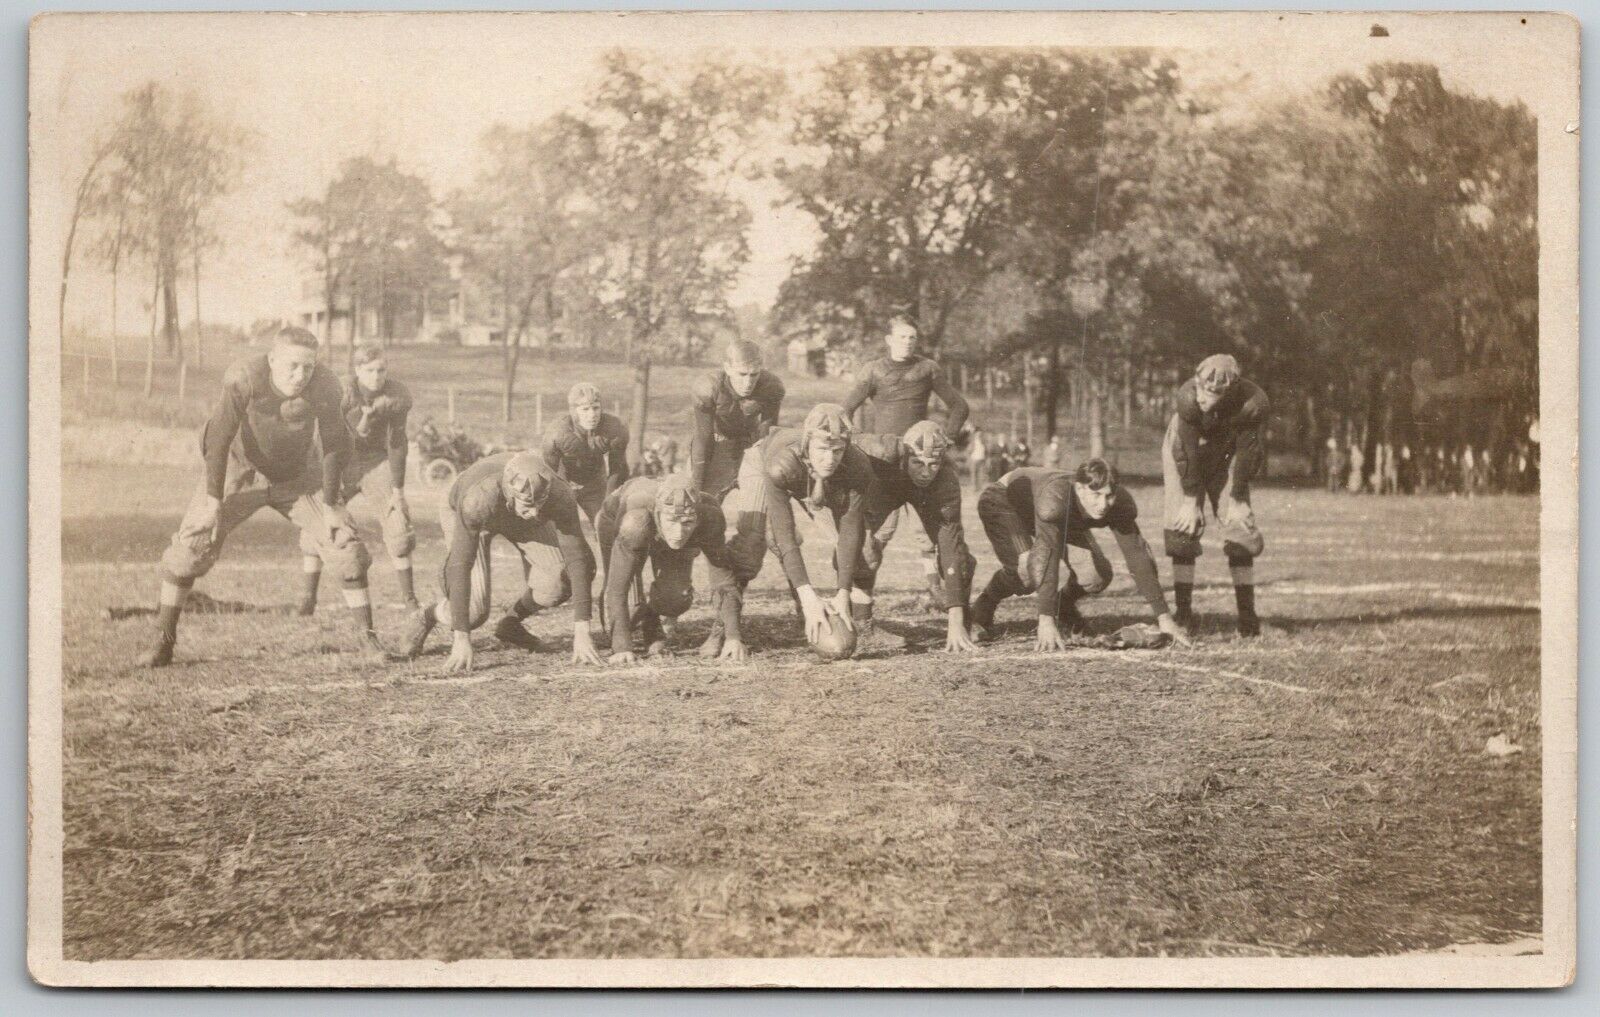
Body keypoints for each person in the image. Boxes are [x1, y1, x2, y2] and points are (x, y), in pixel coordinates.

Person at [144, 326, 379, 667]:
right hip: (242, 472)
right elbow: (218, 438)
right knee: (189, 547)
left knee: (346, 547)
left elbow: (335, 444)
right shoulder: (245, 378)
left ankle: (369, 641)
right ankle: (163, 643)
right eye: (292, 366)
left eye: (308, 367)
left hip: (300, 476)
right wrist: (213, 502)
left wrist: (330, 505)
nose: (300, 376)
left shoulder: (326, 384)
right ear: (272, 359)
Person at [397, 451, 603, 672]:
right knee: (473, 613)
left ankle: (511, 624)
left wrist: (582, 632)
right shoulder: (478, 499)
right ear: (509, 490)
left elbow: (577, 559)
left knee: (560, 581)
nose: (534, 512)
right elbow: (460, 565)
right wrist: (461, 639)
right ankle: (429, 614)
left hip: (513, 512)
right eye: (528, 504)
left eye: (540, 504)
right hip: (475, 510)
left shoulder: (557, 494)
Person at [972, 459, 1190, 646]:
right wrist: (1045, 620)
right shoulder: (1057, 500)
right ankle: (985, 602)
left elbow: (1138, 556)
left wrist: (1164, 618)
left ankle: (1063, 607)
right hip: (1007, 499)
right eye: (1096, 495)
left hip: (1056, 512)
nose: (1103, 504)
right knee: (1027, 572)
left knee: (1096, 576)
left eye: (1109, 496)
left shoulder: (1118, 503)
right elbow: (1046, 558)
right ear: (1079, 488)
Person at [840, 318, 971, 607]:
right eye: (901, 337)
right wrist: (863, 440)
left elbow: (960, 405)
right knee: (876, 534)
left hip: (921, 458)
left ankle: (940, 593)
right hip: (886, 462)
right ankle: (863, 604)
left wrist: (945, 439)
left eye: (912, 337)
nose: (907, 342)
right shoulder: (874, 370)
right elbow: (845, 410)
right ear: (889, 339)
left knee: (934, 532)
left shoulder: (926, 368)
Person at [297, 342, 416, 613]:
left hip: (376, 462)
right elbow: (326, 443)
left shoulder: (396, 395)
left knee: (398, 522)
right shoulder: (340, 393)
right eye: (371, 370)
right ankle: (308, 597)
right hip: (342, 461)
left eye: (381, 370)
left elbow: (397, 442)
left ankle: (409, 598)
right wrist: (327, 493)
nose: (377, 376)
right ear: (357, 370)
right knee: (318, 523)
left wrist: (398, 490)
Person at [689, 340, 786, 656]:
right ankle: (659, 618)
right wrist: (697, 487)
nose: (748, 382)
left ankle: (722, 625)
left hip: (752, 450)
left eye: (754, 374)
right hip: (715, 452)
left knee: (752, 542)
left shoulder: (771, 387)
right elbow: (702, 440)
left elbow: (766, 436)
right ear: (727, 367)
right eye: (742, 374)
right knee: (693, 534)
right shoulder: (708, 388)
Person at [1162, 353, 1268, 638]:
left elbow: (1249, 452)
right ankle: (1184, 613)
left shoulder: (1252, 403)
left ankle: (1247, 616)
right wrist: (1189, 499)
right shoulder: (1188, 400)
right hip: (1185, 452)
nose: (1202, 397)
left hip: (1227, 453)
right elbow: (1185, 452)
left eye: (1213, 392)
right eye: (1201, 387)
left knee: (1239, 529)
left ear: (1231, 391)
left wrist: (1237, 498)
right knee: (1182, 530)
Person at [852, 422, 979, 653]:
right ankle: (862, 625)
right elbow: (850, 440)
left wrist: (955, 616)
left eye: (933, 464)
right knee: (865, 549)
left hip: (925, 497)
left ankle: (963, 619)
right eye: (917, 463)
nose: (925, 472)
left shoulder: (945, 481)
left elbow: (950, 544)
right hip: (885, 489)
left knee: (960, 559)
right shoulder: (883, 453)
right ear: (905, 456)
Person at [597, 474, 746, 663]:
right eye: (672, 521)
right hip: (620, 518)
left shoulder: (709, 516)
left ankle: (651, 618)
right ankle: (642, 620)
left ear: (697, 517)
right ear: (658, 514)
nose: (678, 532)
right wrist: (621, 648)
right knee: (629, 613)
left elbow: (723, 579)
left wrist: (733, 637)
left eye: (687, 522)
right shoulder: (636, 520)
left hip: (656, 526)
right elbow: (617, 589)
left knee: (675, 599)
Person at [761, 404, 873, 647]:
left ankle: (861, 618)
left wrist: (843, 593)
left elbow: (850, 531)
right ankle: (728, 627)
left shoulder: (856, 464)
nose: (830, 459)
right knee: (758, 540)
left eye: (838, 450)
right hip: (771, 466)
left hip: (816, 483)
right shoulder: (781, 465)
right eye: (822, 448)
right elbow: (785, 534)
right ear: (807, 444)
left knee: (859, 550)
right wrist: (807, 595)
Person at [538, 382, 630, 525]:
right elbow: (548, 472)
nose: (592, 415)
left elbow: (618, 468)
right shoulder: (557, 433)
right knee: (566, 531)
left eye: (595, 408)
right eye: (585, 409)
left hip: (594, 483)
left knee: (606, 525)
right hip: (563, 482)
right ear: (574, 411)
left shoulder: (614, 428)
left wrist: (609, 500)